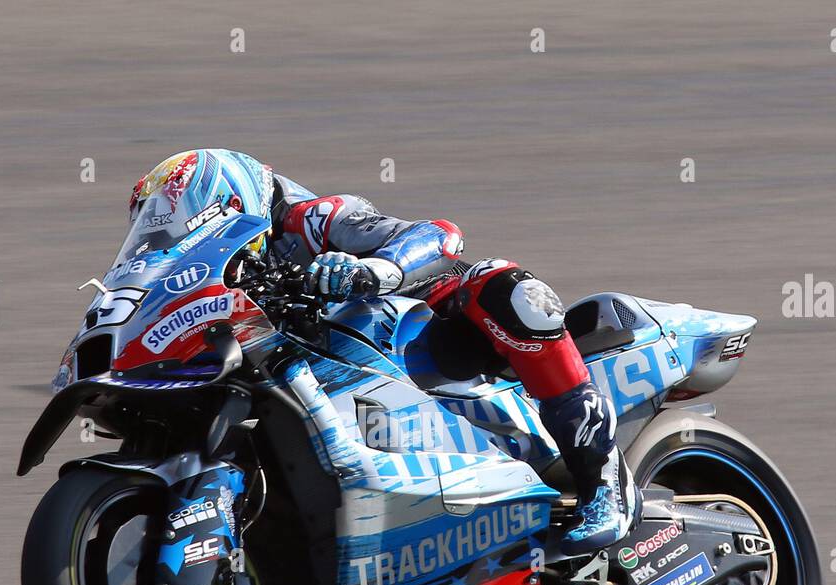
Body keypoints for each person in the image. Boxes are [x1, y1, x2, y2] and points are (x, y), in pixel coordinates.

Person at [126, 149, 639, 554]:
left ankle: (605, 482)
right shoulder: (210, 281)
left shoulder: (311, 219)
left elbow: (440, 237)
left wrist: (372, 271)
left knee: (507, 287)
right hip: (321, 384)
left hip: (437, 342)